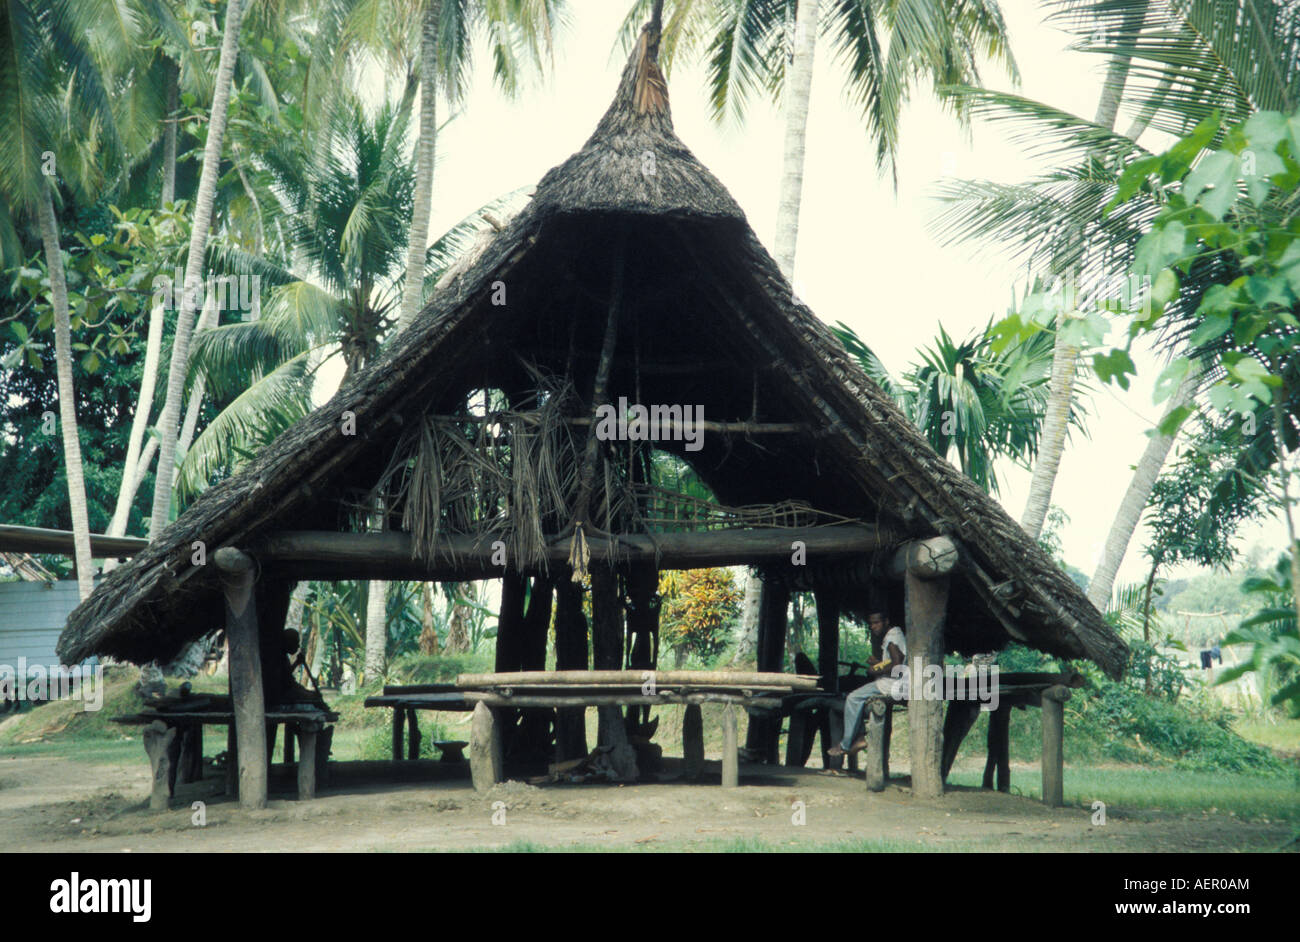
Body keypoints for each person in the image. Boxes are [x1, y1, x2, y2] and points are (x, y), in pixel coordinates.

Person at [828, 611, 906, 758]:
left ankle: (846, 744)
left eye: (877, 623)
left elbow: (898, 665)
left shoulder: (891, 639)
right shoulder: (897, 636)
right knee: (859, 699)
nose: (873, 627)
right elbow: (894, 663)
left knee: (853, 698)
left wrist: (875, 669)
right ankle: (860, 737)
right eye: (871, 624)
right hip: (896, 683)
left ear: (886, 622)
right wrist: (877, 664)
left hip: (890, 685)